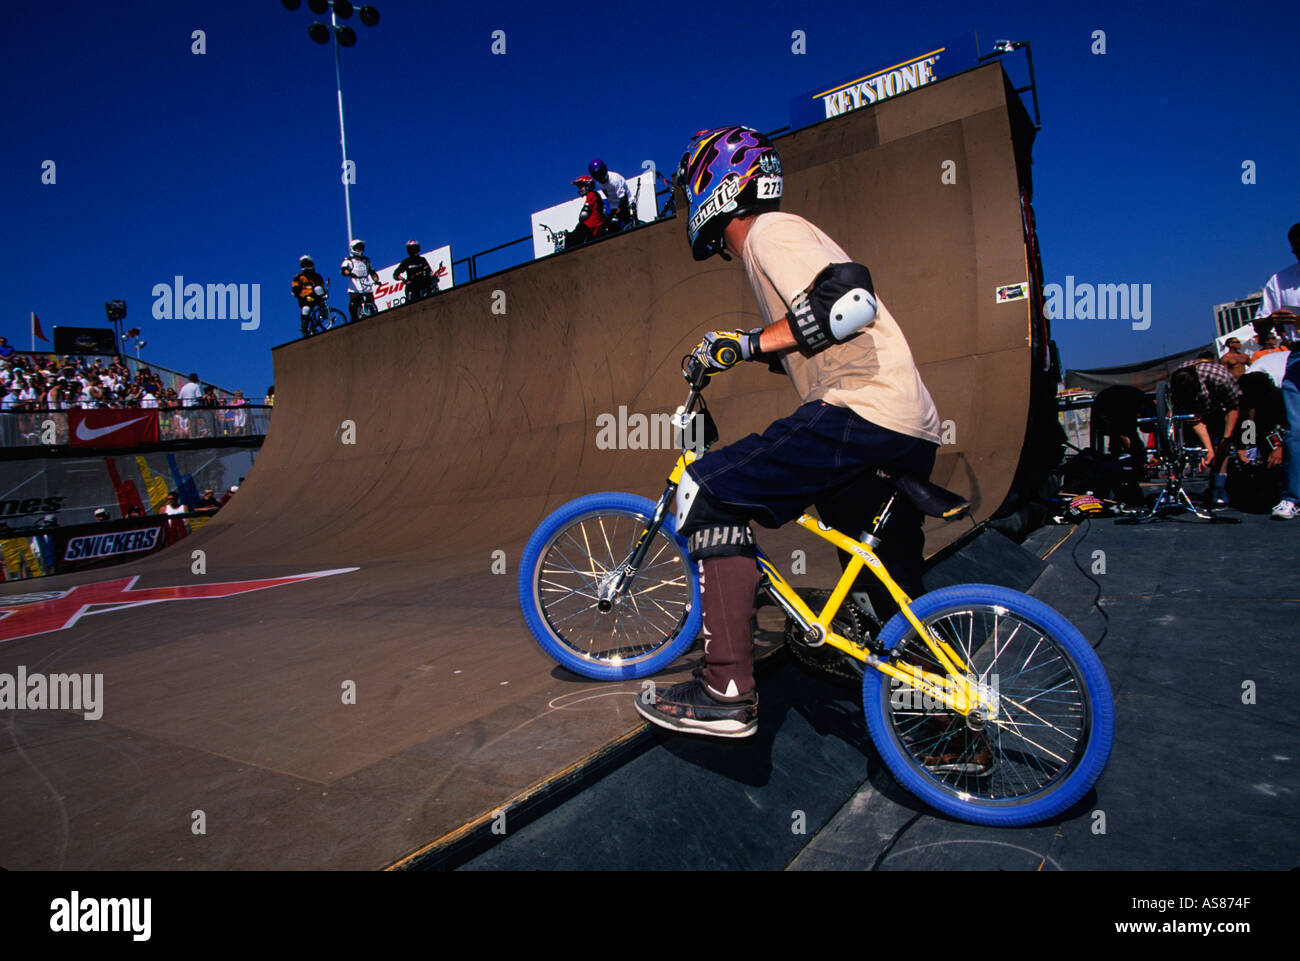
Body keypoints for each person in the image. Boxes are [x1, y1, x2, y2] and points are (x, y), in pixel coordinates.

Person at [633, 126, 942, 741]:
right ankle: (949, 731)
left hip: (861, 410)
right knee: (893, 593)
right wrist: (744, 353)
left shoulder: (771, 231)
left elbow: (851, 300)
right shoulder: (774, 248)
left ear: (712, 183)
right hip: (907, 424)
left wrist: (746, 341)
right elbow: (809, 332)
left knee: (708, 490)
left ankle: (723, 689)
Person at [1255, 224, 1300, 520]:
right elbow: (1258, 326)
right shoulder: (1280, 280)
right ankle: (1293, 496)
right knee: (1296, 431)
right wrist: (1270, 321)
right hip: (1297, 356)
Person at [1168, 352, 1242, 507]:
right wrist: (1207, 449)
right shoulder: (1176, 382)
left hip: (1219, 409)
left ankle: (1220, 488)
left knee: (1222, 445)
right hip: (1195, 412)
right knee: (1195, 446)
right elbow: (1194, 419)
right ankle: (1174, 488)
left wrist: (1226, 440)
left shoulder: (1220, 377)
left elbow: (1233, 407)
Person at [340, 239, 379, 322]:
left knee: (371, 303)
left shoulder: (366, 260)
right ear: (353, 249)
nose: (360, 250)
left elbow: (372, 272)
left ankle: (374, 318)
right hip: (355, 286)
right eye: (357, 248)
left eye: (361, 248)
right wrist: (349, 273)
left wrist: (376, 280)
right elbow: (344, 269)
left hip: (366, 285)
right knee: (353, 304)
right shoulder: (349, 260)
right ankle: (354, 320)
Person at [588, 159, 632, 231]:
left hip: (626, 202)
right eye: (596, 175)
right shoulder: (599, 183)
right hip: (614, 206)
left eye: (600, 173)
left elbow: (623, 199)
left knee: (616, 220)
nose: (599, 177)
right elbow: (609, 196)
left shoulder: (614, 179)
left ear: (604, 170)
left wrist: (617, 213)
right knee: (608, 226)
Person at [565, 176, 607, 249]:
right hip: (598, 227)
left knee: (569, 239)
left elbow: (584, 214)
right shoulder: (596, 195)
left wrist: (580, 219)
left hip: (592, 225)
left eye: (581, 186)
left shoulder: (591, 194)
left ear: (587, 184)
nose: (580, 189)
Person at [393, 240, 439, 304]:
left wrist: (423, 274)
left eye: (414, 248)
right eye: (411, 248)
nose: (413, 250)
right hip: (412, 286)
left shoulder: (422, 260)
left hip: (423, 284)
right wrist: (404, 280)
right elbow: (395, 274)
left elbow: (428, 270)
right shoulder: (406, 262)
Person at [292, 255, 326, 333]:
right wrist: (300, 295)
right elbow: (295, 288)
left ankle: (323, 310)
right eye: (304, 265)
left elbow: (321, 287)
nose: (306, 267)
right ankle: (305, 328)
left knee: (318, 289)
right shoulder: (298, 277)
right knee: (306, 309)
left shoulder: (317, 276)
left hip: (315, 296)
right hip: (304, 297)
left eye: (308, 265)